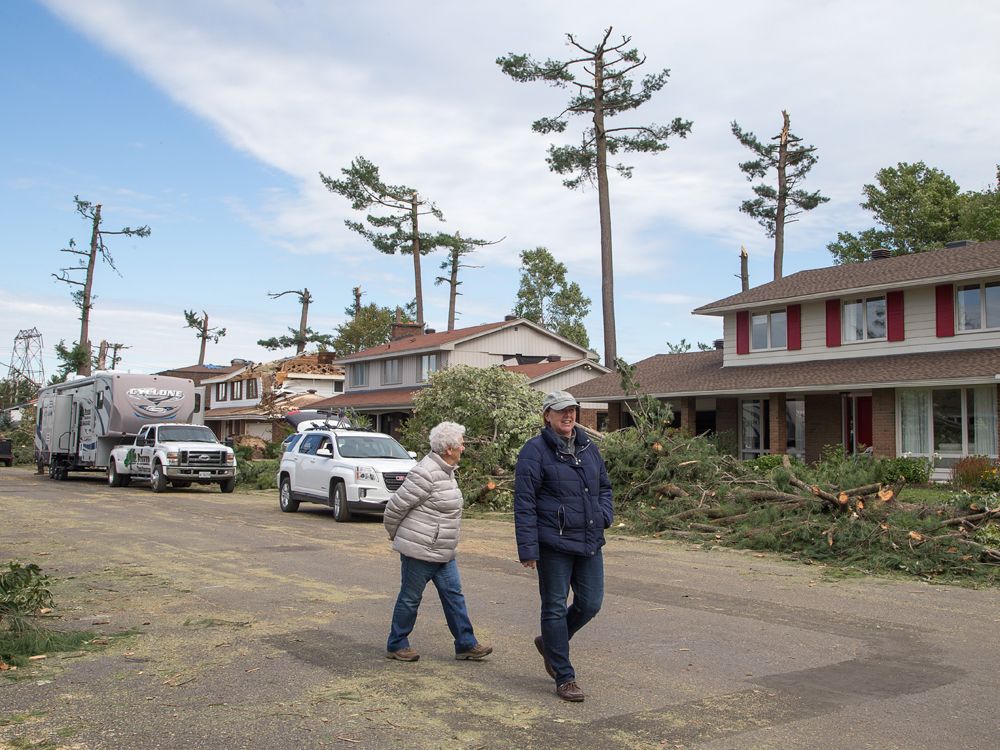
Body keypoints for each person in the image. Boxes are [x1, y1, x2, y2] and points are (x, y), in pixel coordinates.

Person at [514, 391, 613, 702]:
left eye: (571, 410)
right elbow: (524, 503)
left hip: (589, 538)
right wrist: (528, 549)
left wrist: (603, 514)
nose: (568, 416)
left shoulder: (588, 447)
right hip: (553, 543)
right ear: (547, 415)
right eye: (561, 411)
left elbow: (605, 487)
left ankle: (551, 642)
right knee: (555, 606)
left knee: (591, 603)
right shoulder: (534, 451)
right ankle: (564, 676)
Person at [384, 421, 492, 663]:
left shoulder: (446, 471)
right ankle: (396, 644)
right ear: (449, 449)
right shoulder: (425, 472)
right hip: (420, 551)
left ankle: (466, 644)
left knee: (454, 595)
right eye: (461, 444)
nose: (464, 448)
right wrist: (399, 537)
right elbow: (394, 508)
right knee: (410, 598)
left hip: (443, 550)